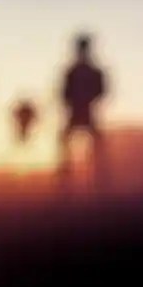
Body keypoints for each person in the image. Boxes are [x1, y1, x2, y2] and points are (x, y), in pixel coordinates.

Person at [59, 34, 109, 191]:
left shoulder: (77, 71)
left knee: (97, 145)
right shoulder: (76, 71)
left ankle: (99, 181)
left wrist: (83, 101)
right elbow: (64, 93)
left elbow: (100, 91)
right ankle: (67, 181)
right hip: (79, 112)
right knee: (66, 141)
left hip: (86, 112)